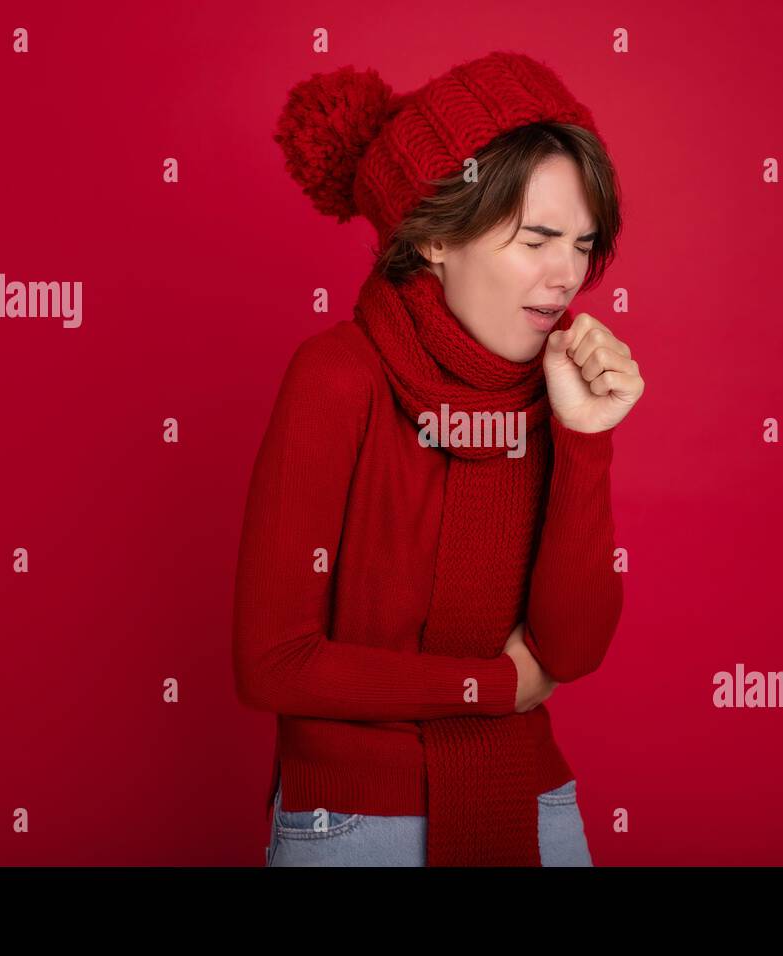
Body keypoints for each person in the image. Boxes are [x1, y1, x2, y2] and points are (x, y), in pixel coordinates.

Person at [233, 51, 645, 866]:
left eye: (583, 244)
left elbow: (570, 651)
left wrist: (585, 436)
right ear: (433, 239)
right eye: (536, 239)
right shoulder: (338, 375)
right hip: (357, 823)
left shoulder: (551, 386)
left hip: (532, 804)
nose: (567, 277)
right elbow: (274, 663)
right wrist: (494, 687)